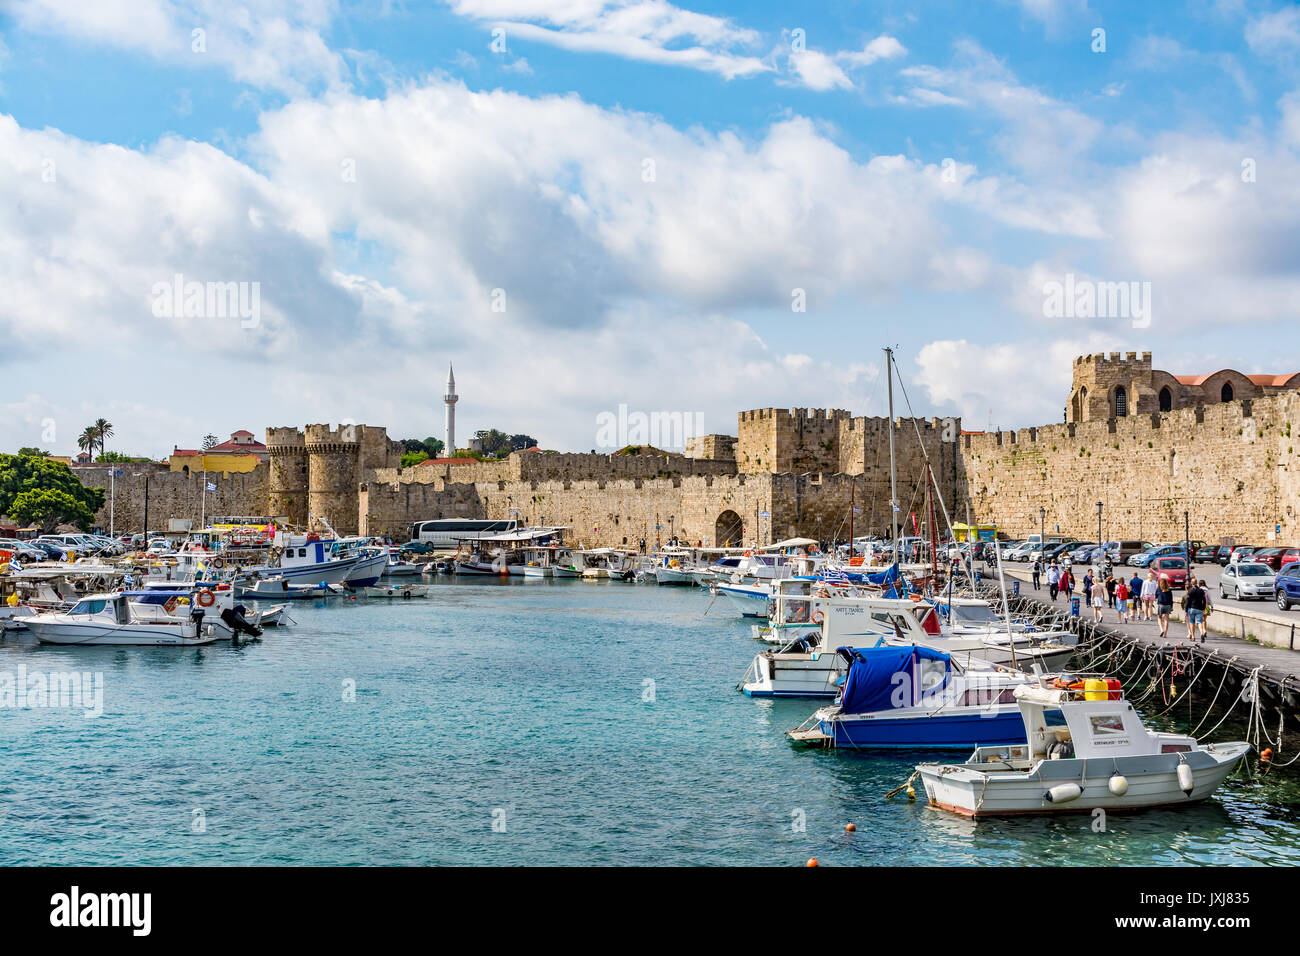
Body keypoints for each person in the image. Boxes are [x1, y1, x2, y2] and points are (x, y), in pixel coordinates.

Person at [1183, 576, 1208, 643]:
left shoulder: (1190, 591)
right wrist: (1203, 608)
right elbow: (1204, 600)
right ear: (1196, 583)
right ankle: (1202, 633)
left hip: (1191, 609)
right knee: (1199, 622)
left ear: (1191, 583)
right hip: (1199, 609)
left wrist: (1186, 610)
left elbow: (1187, 601)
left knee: (1192, 623)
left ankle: (1193, 637)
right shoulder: (1201, 591)